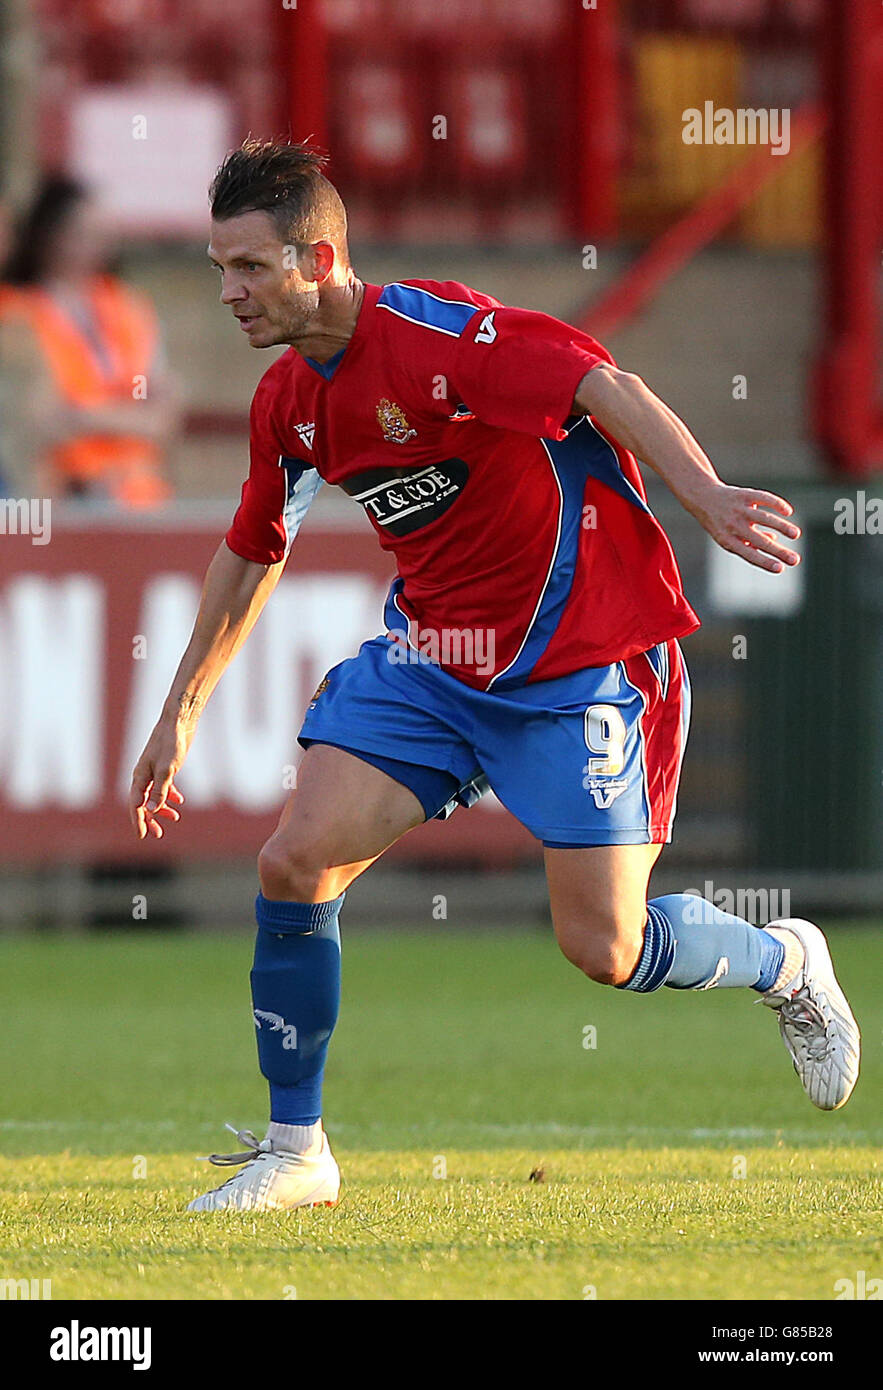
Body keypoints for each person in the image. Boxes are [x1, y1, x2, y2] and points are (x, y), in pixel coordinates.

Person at [129, 139, 860, 1213]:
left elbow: (600, 379)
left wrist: (700, 492)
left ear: (319, 258)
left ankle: (783, 964)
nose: (229, 293)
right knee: (292, 863)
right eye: (217, 269)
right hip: (435, 664)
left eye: (248, 268)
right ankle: (297, 1150)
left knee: (604, 948)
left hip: (582, 664)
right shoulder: (289, 403)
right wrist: (182, 707)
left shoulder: (438, 337)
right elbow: (253, 547)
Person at [0, 176, 176, 505]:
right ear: (48, 238)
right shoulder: (17, 312)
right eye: (81, 234)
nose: (95, 246)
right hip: (62, 496)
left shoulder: (128, 307)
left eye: (100, 234)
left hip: (138, 497)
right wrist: (128, 419)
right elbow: (37, 420)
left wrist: (83, 416)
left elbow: (162, 417)